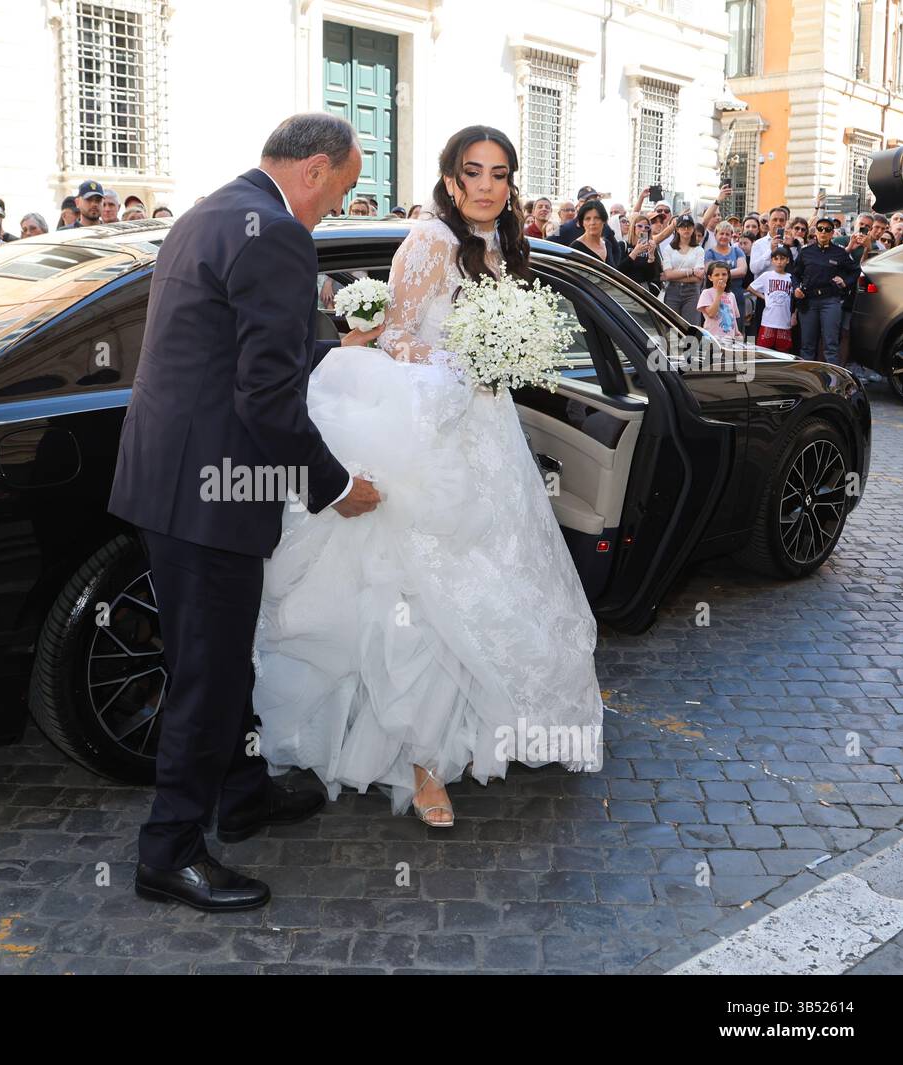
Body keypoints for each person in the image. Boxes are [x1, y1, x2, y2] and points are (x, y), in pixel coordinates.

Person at [255, 122, 605, 831]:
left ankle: (487, 729)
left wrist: (506, 358)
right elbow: (398, 337)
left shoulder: (504, 246)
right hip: (433, 433)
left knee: (500, 579)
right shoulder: (431, 241)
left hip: (490, 433)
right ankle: (422, 763)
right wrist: (465, 361)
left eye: (499, 174)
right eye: (472, 172)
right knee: (424, 594)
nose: (485, 185)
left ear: (510, 185)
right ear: (450, 181)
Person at [108, 113, 383, 912]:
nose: (337, 204)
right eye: (343, 188)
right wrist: (334, 485)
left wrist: (336, 351)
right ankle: (170, 849)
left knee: (218, 655)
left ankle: (244, 789)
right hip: (210, 490)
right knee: (208, 671)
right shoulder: (276, 236)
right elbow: (265, 395)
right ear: (315, 171)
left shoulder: (212, 210)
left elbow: (236, 346)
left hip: (174, 478)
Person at [791, 217, 859, 364]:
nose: (823, 232)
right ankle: (807, 381)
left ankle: (833, 384)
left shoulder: (839, 253)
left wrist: (845, 282)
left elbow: (855, 271)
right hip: (809, 301)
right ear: (815, 231)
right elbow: (794, 274)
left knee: (831, 345)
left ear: (832, 233)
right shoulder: (806, 252)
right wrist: (796, 288)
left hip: (831, 302)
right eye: (820, 229)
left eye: (827, 229)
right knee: (807, 346)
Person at [747, 244, 795, 352]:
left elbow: (795, 298)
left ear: (787, 260)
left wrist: (794, 315)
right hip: (768, 321)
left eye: (782, 259)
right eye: (776, 259)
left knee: (784, 353)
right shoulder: (767, 275)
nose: (779, 262)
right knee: (762, 351)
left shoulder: (791, 278)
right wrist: (764, 297)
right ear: (772, 260)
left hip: (785, 321)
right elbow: (750, 288)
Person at [661, 213, 705, 325]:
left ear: (693, 228)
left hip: (692, 292)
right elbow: (668, 275)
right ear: (677, 229)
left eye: (689, 226)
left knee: (691, 329)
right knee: (671, 329)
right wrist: (690, 271)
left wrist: (674, 275)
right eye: (682, 226)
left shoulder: (699, 250)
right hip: (672, 291)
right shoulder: (669, 249)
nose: (686, 229)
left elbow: (698, 278)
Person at [703, 221, 747, 310]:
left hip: (736, 293)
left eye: (727, 234)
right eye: (721, 233)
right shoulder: (709, 253)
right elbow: (710, 272)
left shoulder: (737, 251)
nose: (724, 236)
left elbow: (742, 271)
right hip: (715, 295)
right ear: (715, 235)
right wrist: (731, 273)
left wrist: (719, 274)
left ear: (731, 236)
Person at [697, 261, 742, 341]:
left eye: (724, 274)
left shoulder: (731, 295)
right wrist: (719, 293)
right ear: (710, 277)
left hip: (729, 339)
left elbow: (733, 316)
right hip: (712, 338)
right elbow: (711, 313)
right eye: (717, 275)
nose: (721, 277)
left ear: (728, 276)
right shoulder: (706, 293)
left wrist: (737, 332)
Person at [619, 212, 663, 292]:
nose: (643, 229)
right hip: (624, 289)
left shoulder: (650, 248)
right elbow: (619, 270)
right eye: (639, 226)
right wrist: (635, 252)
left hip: (642, 292)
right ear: (633, 227)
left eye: (647, 227)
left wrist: (651, 257)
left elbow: (651, 276)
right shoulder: (623, 245)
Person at [569, 198, 620, 264]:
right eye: (588, 219)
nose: (592, 222)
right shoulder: (575, 248)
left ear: (603, 221)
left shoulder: (607, 244)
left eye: (597, 218)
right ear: (582, 223)